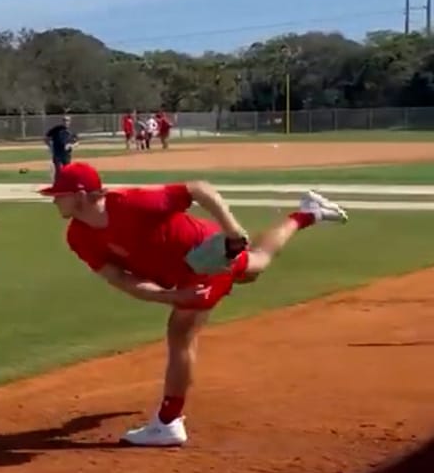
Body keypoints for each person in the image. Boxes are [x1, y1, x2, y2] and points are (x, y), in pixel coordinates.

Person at [39, 163, 347, 446]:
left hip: (207, 256)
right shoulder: (78, 236)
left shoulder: (133, 203)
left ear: (80, 195)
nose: (54, 201)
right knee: (255, 266)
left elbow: (198, 188)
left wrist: (232, 229)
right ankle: (308, 214)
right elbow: (120, 279)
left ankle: (169, 422)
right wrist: (169, 296)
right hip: (182, 271)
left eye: (59, 195)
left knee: (181, 330)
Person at [44, 115, 77, 179]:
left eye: (67, 120)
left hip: (67, 155)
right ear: (62, 121)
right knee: (58, 170)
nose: (66, 122)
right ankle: (57, 186)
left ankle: (66, 185)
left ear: (70, 121)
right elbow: (46, 138)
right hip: (57, 154)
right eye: (64, 120)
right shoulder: (56, 129)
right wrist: (50, 146)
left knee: (67, 171)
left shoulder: (72, 131)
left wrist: (71, 145)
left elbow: (77, 143)